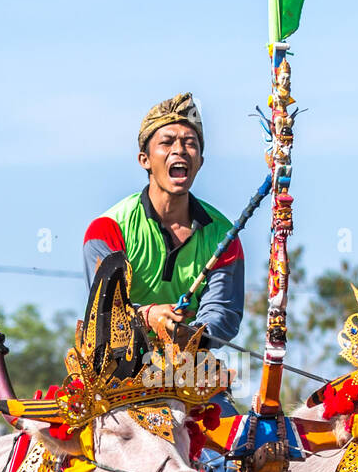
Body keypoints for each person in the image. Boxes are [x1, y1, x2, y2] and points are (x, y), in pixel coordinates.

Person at [83, 92, 244, 347]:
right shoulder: (108, 229)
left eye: (190, 143)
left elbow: (222, 313)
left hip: (187, 370)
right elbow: (104, 312)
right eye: (167, 142)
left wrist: (194, 334)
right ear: (144, 159)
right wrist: (148, 316)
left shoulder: (224, 235)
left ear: (200, 161)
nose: (179, 150)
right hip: (117, 372)